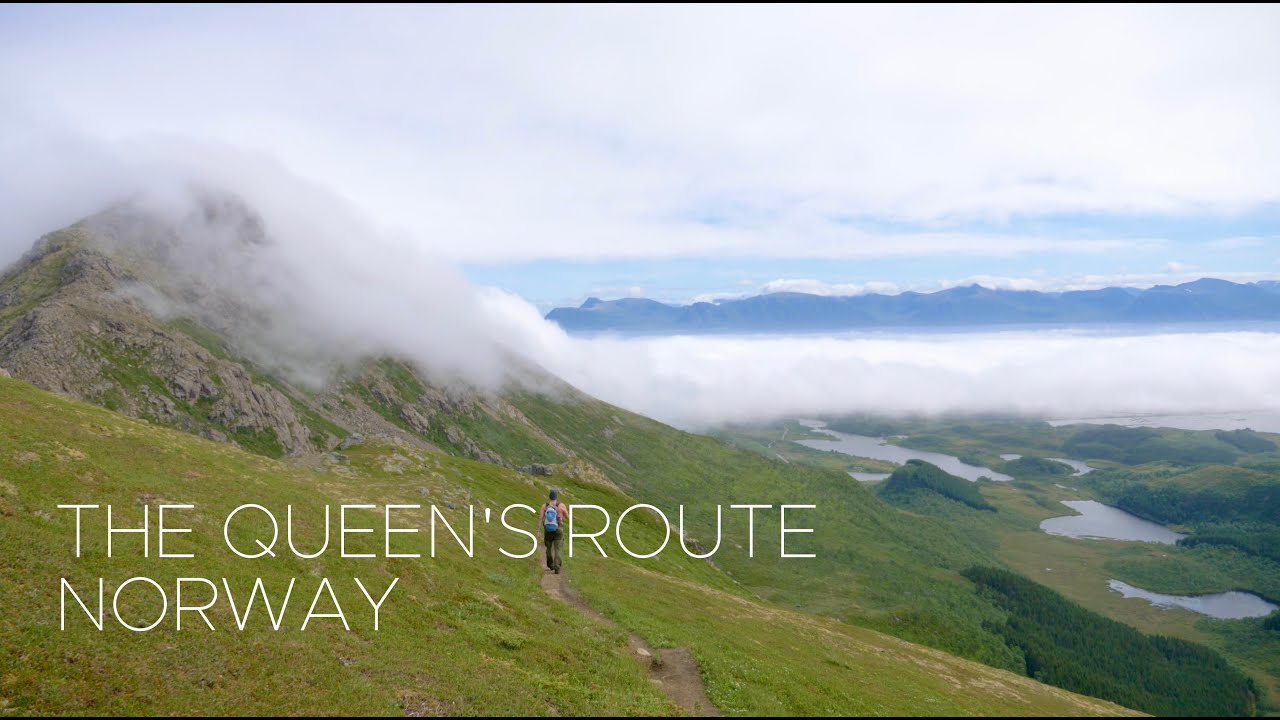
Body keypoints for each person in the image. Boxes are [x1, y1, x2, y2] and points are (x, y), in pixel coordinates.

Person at [540, 488, 568, 574]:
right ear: (556, 497)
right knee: (558, 549)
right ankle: (557, 567)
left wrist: (538, 530)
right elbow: (568, 517)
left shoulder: (544, 506)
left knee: (548, 548)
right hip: (558, 529)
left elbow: (541, 518)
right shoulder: (561, 505)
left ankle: (550, 564)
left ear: (549, 496)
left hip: (547, 530)